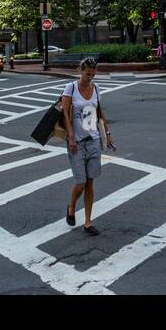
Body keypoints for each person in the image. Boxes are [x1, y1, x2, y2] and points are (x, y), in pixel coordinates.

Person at [61, 58, 114, 236]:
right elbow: (65, 115)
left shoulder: (96, 88)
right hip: (76, 142)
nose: (90, 77)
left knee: (90, 182)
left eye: (93, 74)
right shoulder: (71, 88)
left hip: (93, 140)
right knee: (81, 182)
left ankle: (88, 222)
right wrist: (70, 136)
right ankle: (71, 205)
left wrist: (107, 132)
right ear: (80, 70)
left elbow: (99, 112)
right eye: (87, 74)